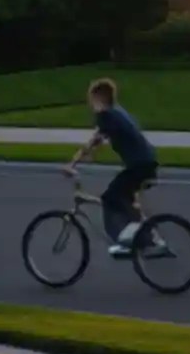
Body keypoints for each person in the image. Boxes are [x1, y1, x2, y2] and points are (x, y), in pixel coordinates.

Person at [63, 78, 159, 257]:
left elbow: (93, 141)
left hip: (138, 165)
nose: (90, 105)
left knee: (110, 199)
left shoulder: (106, 115)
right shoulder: (117, 112)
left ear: (99, 98)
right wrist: (85, 156)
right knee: (128, 201)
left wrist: (72, 164)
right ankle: (150, 238)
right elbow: (98, 140)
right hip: (147, 162)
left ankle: (125, 242)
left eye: (92, 100)